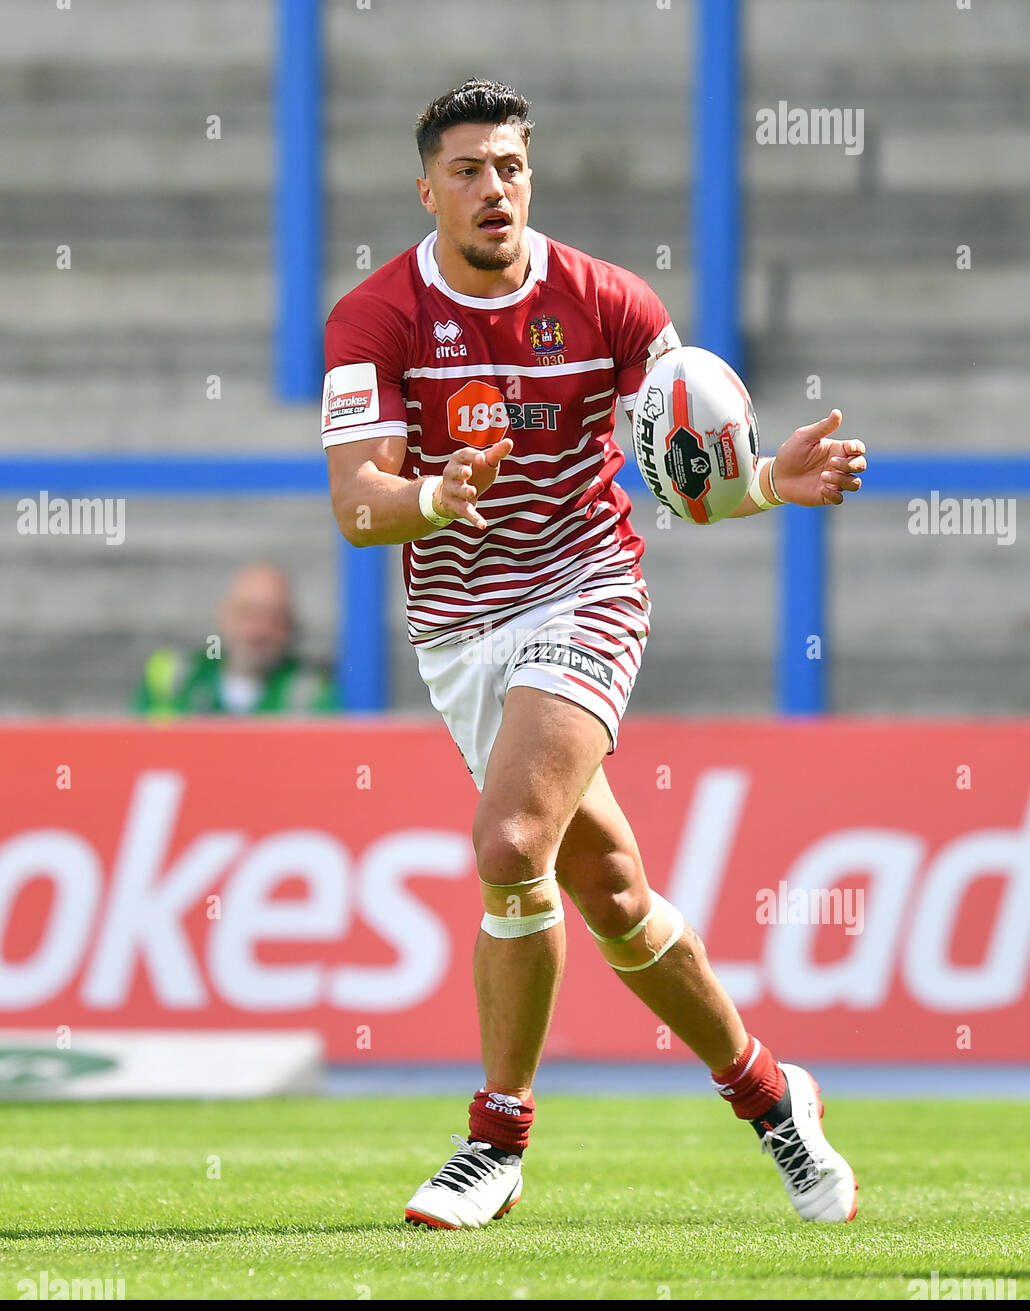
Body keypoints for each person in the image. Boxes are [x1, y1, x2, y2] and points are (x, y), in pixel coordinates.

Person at [323, 79, 866, 1229]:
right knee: (611, 894)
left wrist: (769, 481)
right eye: (466, 170)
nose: (492, 188)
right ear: (428, 192)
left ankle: (494, 1140)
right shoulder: (371, 319)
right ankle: (773, 1092)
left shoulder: (611, 304)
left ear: (531, 179)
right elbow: (358, 506)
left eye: (509, 167)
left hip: (584, 591)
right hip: (460, 633)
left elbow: (690, 482)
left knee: (509, 839)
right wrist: (431, 492)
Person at [132, 562, 338, 716]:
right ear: (223, 615)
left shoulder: (311, 695)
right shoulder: (176, 679)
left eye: (273, 617)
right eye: (246, 613)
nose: (258, 631)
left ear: (291, 625)